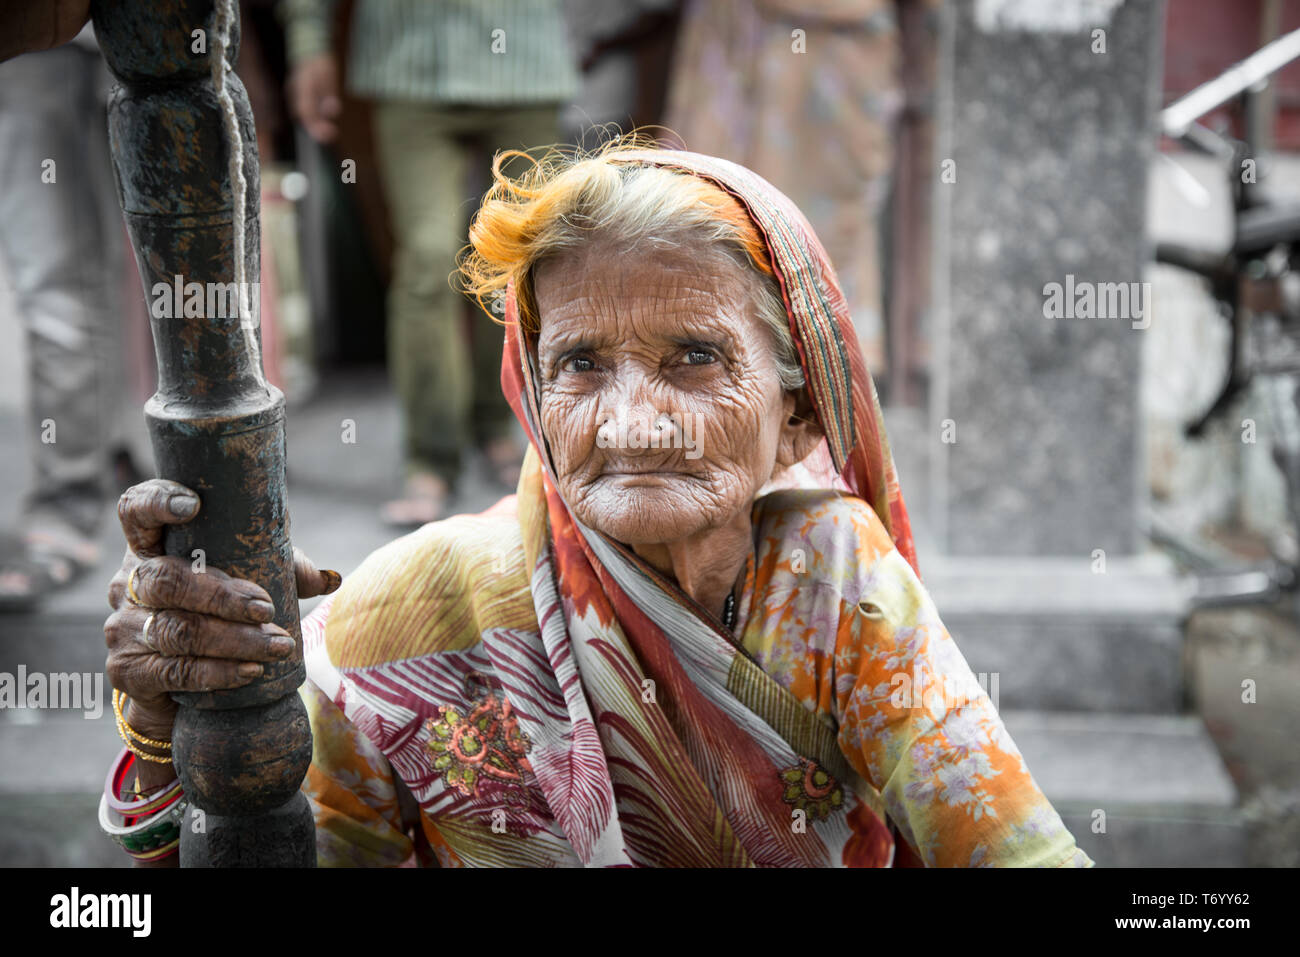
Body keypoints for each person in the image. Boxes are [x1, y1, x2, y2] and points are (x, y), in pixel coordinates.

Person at [102, 141, 1092, 867]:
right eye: (580, 363)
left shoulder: (834, 580)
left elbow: (1013, 850)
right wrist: (165, 729)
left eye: (695, 358)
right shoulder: (414, 608)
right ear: (534, 398)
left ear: (797, 413)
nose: (631, 423)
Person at [284, 0, 579, 525]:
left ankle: (507, 429)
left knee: (524, 259)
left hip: (525, 60)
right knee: (425, 261)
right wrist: (309, 44)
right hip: (408, 67)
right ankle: (431, 458)